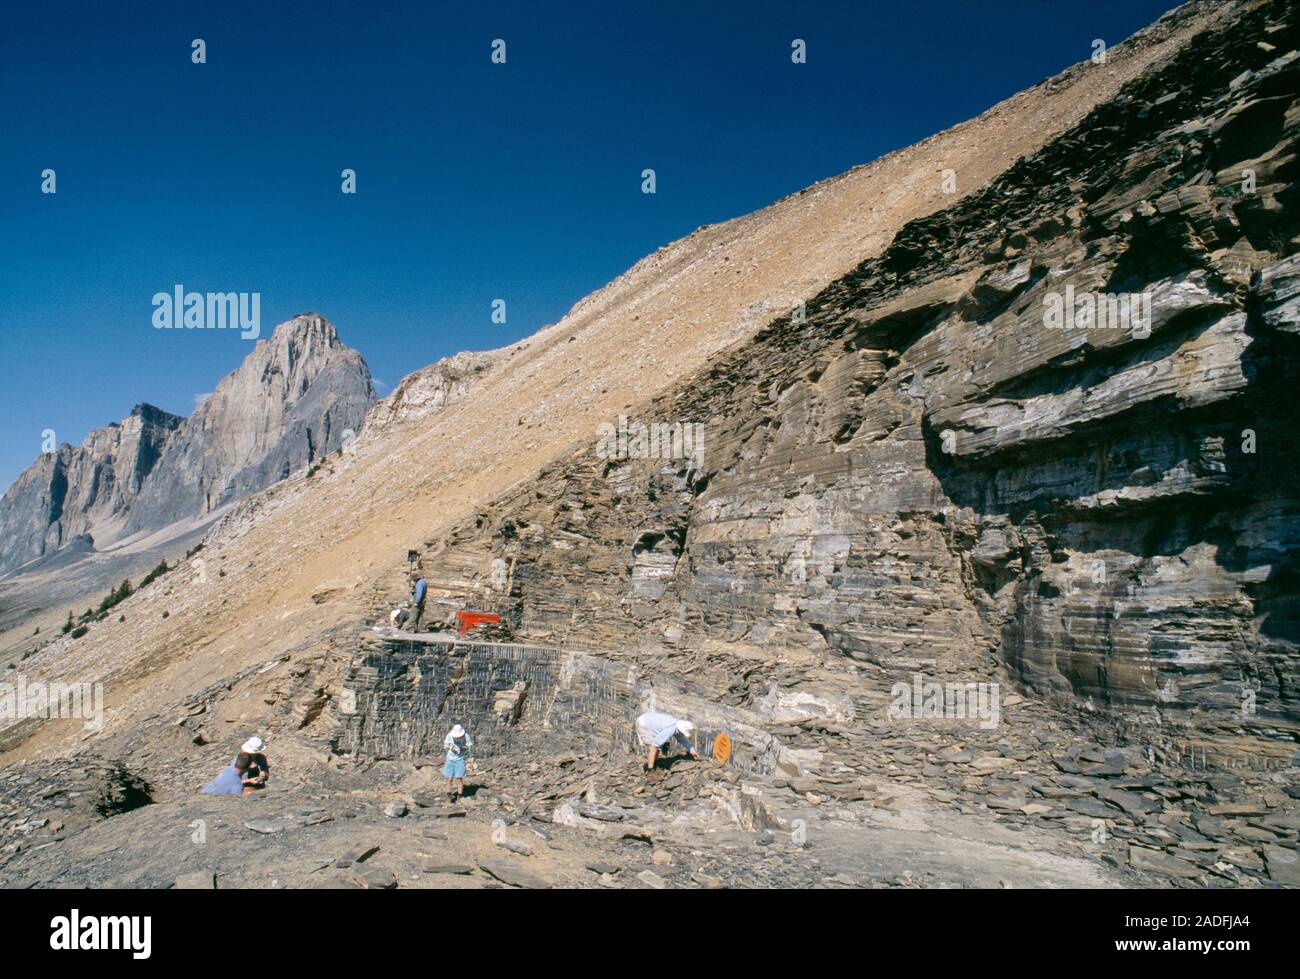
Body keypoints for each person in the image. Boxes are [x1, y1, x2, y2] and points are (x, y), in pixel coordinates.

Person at [200, 736, 270, 795]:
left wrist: (264, 774)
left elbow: (266, 772)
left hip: (256, 787)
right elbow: (231, 780)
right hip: (240, 788)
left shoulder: (261, 758)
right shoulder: (240, 759)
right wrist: (249, 781)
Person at [443, 724, 472, 801]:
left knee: (459, 778)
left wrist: (462, 748)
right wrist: (452, 747)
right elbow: (445, 745)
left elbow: (469, 746)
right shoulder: (449, 736)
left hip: (460, 759)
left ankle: (460, 795)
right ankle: (449, 794)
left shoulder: (466, 736)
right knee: (449, 778)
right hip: (450, 759)